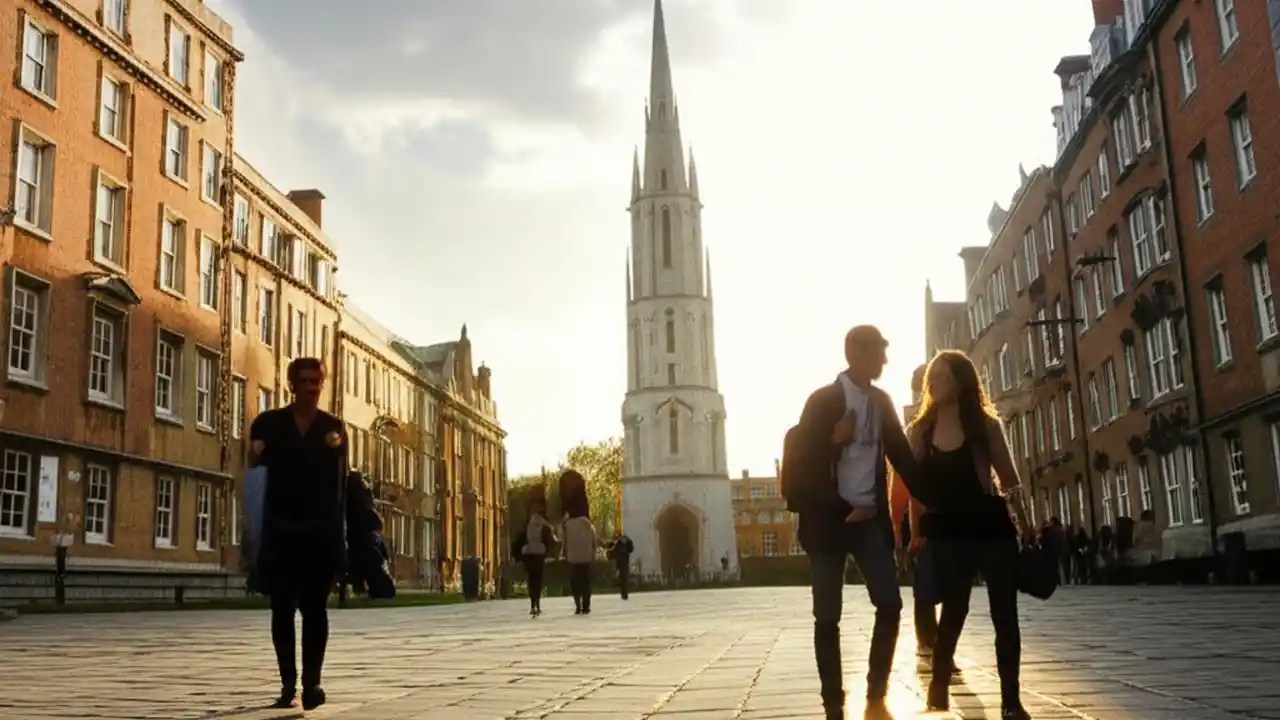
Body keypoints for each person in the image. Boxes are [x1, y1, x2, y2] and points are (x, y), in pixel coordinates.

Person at [790, 325, 920, 720]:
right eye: (879, 351)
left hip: (869, 523)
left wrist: (934, 493)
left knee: (891, 603)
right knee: (827, 616)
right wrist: (834, 440)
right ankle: (833, 703)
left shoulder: (881, 401)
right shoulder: (824, 400)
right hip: (829, 521)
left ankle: (876, 691)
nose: (884, 359)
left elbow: (901, 456)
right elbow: (801, 464)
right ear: (856, 354)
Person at [902, 350, 1034, 720]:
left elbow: (1008, 479)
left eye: (942, 375)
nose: (933, 381)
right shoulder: (920, 431)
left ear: (961, 382)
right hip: (948, 532)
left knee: (1004, 614)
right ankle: (939, 684)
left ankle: (1011, 701)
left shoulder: (984, 426)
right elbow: (915, 491)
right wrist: (917, 533)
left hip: (991, 526)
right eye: (932, 375)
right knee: (953, 611)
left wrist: (1025, 523)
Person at [249, 357, 348, 712]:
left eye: (316, 381)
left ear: (323, 384)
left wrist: (341, 541)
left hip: (319, 533)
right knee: (281, 610)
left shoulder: (332, 427)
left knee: (315, 610)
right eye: (304, 381)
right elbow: (253, 468)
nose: (311, 387)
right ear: (292, 385)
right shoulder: (269, 423)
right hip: (281, 530)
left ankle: (312, 683)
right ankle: (288, 683)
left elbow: (341, 485)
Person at [562, 470, 597, 615]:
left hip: (574, 556)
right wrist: (594, 550)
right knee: (586, 581)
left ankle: (578, 605)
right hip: (586, 556)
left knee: (575, 581)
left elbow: (565, 540)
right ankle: (586, 605)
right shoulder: (586, 523)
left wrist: (564, 552)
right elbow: (593, 538)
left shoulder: (568, 524)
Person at [520, 497, 555, 617]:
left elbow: (521, 539)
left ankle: (532, 603)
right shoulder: (544, 525)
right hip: (539, 554)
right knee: (538, 580)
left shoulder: (527, 524)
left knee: (531, 579)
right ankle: (538, 604)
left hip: (529, 554)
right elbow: (549, 541)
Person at [609, 532, 635, 599]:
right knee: (623, 577)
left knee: (622, 577)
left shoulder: (618, 541)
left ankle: (624, 592)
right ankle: (624, 592)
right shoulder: (625, 540)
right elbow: (631, 549)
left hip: (620, 561)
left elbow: (612, 551)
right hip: (624, 561)